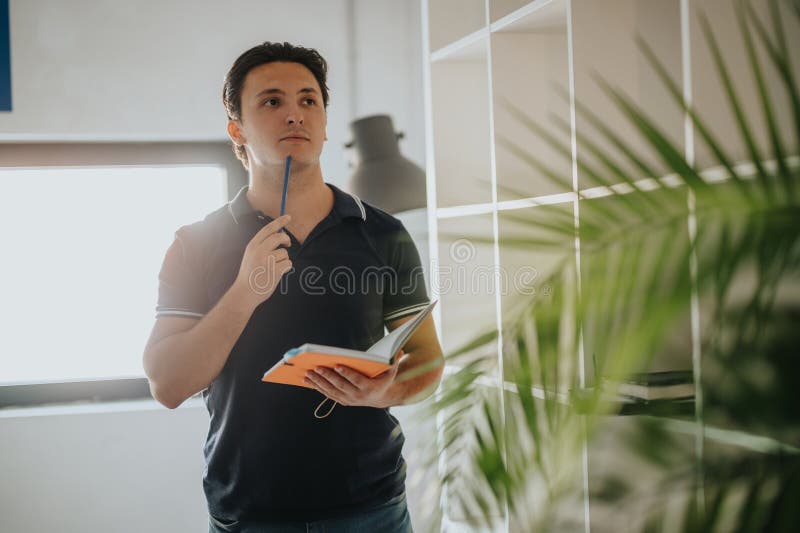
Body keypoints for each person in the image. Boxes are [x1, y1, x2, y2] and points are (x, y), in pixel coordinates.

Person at [142, 41, 444, 533]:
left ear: (325, 124)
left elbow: (429, 361)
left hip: (372, 509)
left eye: (309, 101)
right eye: (272, 101)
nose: (294, 115)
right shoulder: (194, 244)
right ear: (236, 129)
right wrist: (245, 290)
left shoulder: (383, 233)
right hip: (250, 515)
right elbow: (168, 385)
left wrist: (381, 391)